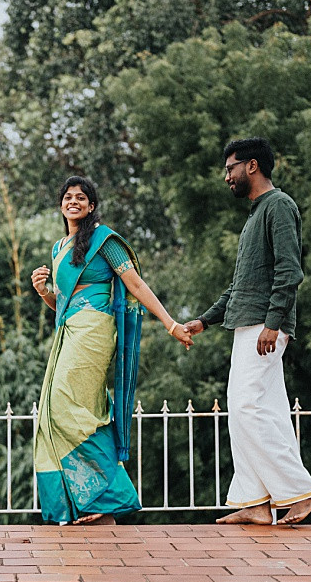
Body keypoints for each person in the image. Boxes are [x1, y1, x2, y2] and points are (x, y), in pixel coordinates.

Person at [31, 176, 193, 525]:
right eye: (68, 197)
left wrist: (170, 324)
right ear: (61, 204)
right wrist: (44, 291)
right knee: (55, 412)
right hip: (69, 330)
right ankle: (87, 505)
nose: (73, 201)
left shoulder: (105, 241)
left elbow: (135, 283)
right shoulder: (60, 247)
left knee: (68, 407)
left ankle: (109, 497)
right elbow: (61, 305)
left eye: (81, 197)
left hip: (94, 331)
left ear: (91, 206)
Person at [184, 138, 311, 526]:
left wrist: (273, 323)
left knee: (246, 406)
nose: (226, 175)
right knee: (267, 411)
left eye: (230, 168)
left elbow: (289, 271)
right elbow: (240, 285)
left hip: (265, 326)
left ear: (252, 166)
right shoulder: (256, 213)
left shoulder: (279, 206)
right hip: (249, 322)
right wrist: (205, 320)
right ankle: (256, 502)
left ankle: (302, 490)